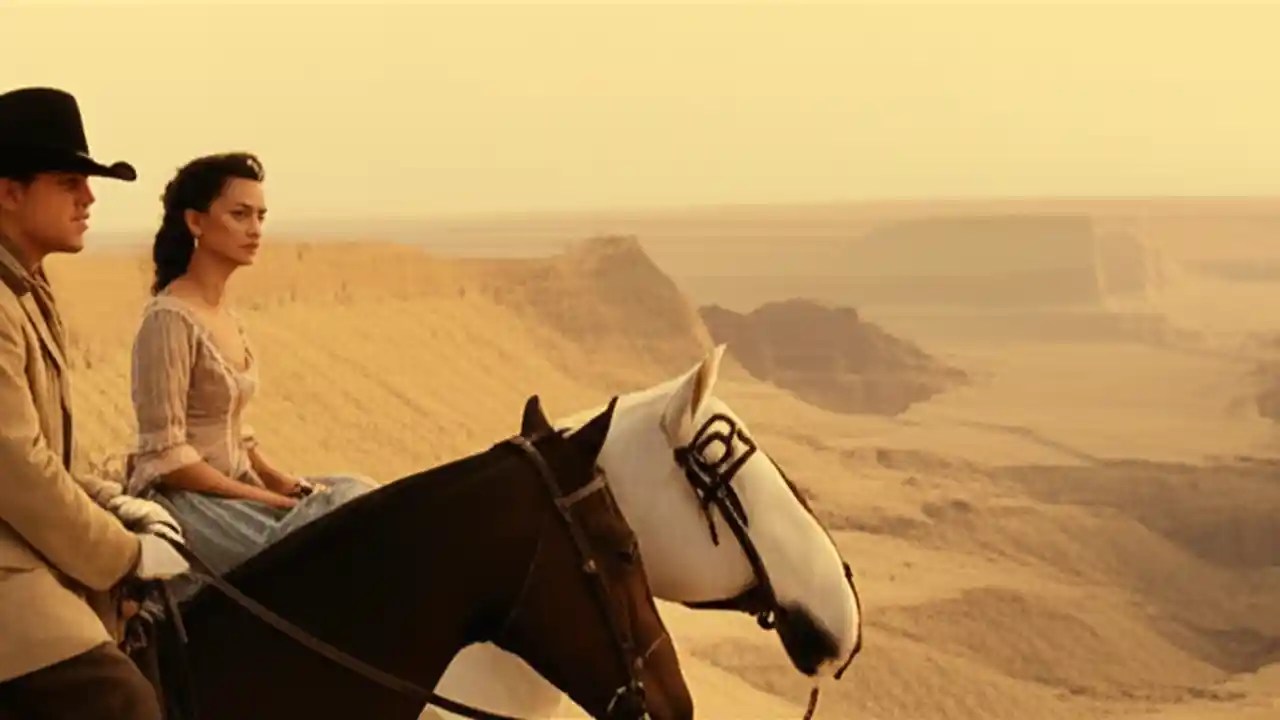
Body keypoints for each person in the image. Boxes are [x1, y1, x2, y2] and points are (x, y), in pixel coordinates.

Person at [0, 87, 191, 720]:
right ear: (9, 191)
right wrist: (122, 552)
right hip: (7, 566)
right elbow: (16, 467)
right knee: (117, 698)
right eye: (68, 181)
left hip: (25, 548)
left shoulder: (24, 288)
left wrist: (115, 503)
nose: (88, 198)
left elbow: (48, 456)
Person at [125, 151, 374, 599]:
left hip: (237, 490)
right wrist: (271, 502)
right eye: (239, 215)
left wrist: (284, 482)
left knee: (358, 492)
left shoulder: (224, 315)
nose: (255, 229)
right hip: (190, 507)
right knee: (334, 518)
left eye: (260, 216)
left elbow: (237, 432)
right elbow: (167, 456)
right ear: (196, 223)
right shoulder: (170, 319)